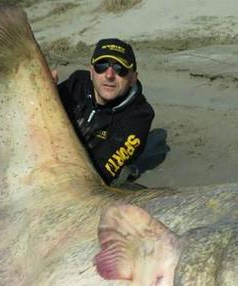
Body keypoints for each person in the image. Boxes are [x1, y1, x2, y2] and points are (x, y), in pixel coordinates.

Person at [55, 38, 162, 185]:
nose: (109, 75)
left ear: (133, 78)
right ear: (91, 72)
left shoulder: (140, 115)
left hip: (84, 175)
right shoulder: (77, 83)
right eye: (102, 66)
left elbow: (101, 172)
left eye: (120, 68)